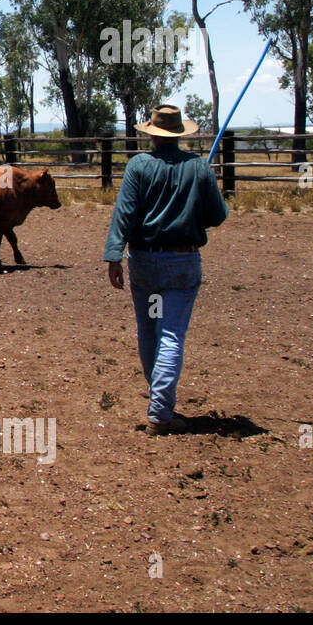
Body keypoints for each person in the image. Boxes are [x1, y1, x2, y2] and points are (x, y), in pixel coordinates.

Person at [103, 104, 228, 435]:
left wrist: (113, 254)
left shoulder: (139, 166)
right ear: (179, 133)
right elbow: (217, 216)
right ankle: (160, 411)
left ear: (153, 134)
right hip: (181, 263)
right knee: (170, 333)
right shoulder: (197, 167)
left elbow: (125, 214)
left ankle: (159, 395)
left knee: (149, 328)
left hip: (144, 262)